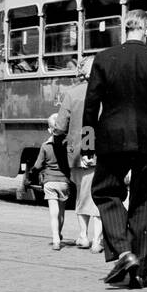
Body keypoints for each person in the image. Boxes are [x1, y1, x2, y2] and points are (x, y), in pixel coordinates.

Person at [82, 9, 147, 289]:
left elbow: (91, 107)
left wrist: (88, 146)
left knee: (105, 192)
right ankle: (140, 272)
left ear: (125, 29)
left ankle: (125, 252)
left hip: (112, 141)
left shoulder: (104, 59)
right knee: (146, 203)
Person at [57, 56, 102, 251]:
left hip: (78, 153)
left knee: (83, 195)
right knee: (101, 196)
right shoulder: (106, 92)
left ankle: (83, 236)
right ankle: (98, 240)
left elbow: (60, 126)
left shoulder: (72, 93)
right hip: (102, 152)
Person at [33, 113, 72, 250]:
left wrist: (33, 172)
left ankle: (55, 239)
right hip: (64, 182)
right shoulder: (67, 145)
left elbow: (38, 165)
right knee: (61, 212)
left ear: (49, 129)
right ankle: (59, 233)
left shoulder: (45, 146)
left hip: (49, 182)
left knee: (53, 212)